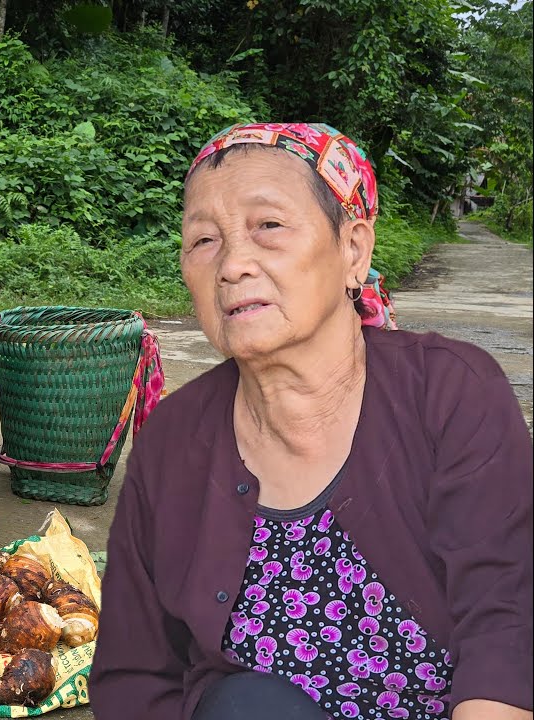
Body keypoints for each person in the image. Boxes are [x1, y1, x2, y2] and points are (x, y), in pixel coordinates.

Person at [89, 123, 532, 719]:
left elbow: (507, 624)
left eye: (268, 226)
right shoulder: (172, 440)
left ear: (354, 249)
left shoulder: (450, 391)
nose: (233, 265)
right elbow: (136, 676)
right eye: (203, 241)